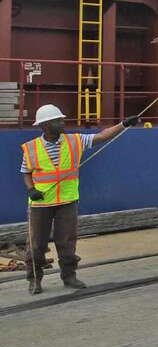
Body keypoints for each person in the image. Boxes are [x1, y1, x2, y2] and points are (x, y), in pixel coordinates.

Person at [20, 105, 139, 295]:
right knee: (36, 245)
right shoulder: (31, 147)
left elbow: (102, 136)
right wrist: (31, 189)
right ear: (45, 125)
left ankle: (69, 277)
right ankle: (34, 280)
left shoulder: (75, 140)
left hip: (67, 202)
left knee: (67, 241)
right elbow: (26, 172)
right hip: (40, 204)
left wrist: (123, 124)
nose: (62, 122)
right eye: (57, 120)